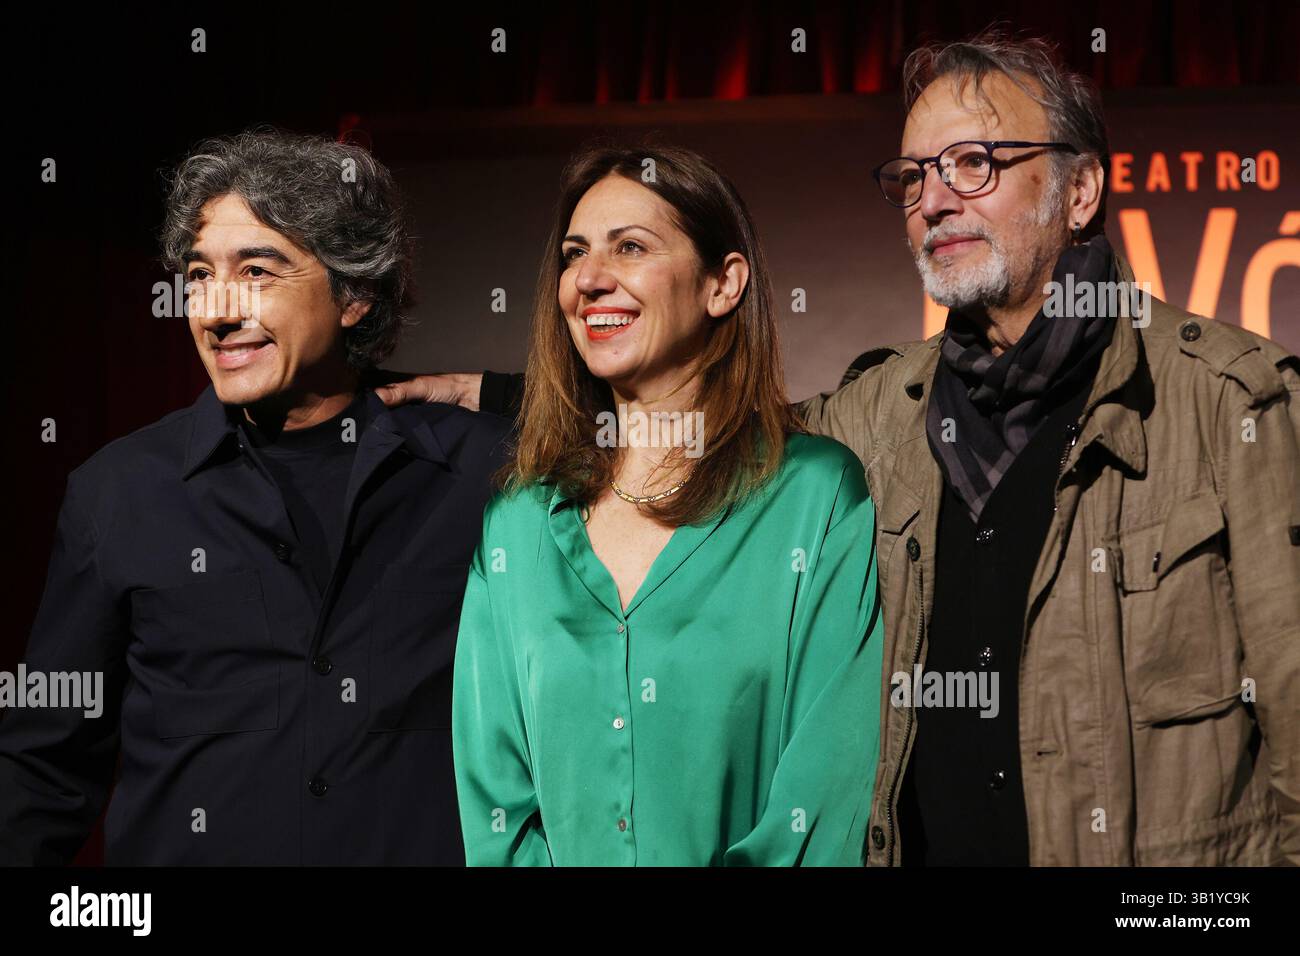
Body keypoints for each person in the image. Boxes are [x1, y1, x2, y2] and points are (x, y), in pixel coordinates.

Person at [383, 30, 1300, 866]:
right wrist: (516, 392)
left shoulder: (1233, 406)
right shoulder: (879, 412)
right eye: (913, 176)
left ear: (1082, 190)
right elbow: (699, 417)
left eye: (974, 164)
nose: (934, 199)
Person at [0, 129, 510, 864]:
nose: (216, 310)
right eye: (200, 275)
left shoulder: (479, 474)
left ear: (356, 295)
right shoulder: (118, 492)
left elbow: (683, 418)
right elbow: (42, 766)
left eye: (258, 271)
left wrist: (499, 391)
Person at [451, 143, 885, 865]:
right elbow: (497, 808)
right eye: (574, 254)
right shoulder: (517, 523)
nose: (588, 280)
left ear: (723, 283)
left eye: (630, 248)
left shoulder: (816, 497)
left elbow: (823, 798)